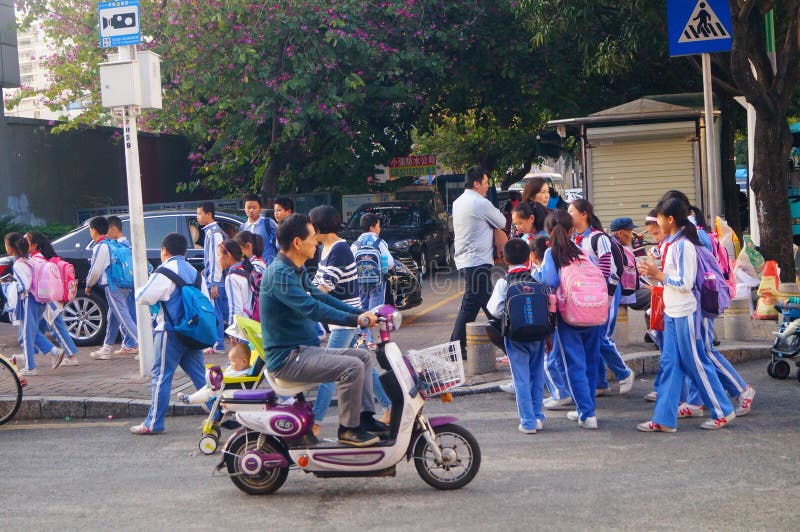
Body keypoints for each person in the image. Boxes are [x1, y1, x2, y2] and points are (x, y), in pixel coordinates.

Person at [260, 213, 387, 447]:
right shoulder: (279, 274)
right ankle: (348, 430)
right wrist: (356, 320)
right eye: (312, 238)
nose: (316, 242)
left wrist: (358, 315)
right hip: (289, 358)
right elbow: (312, 307)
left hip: (304, 351)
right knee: (352, 367)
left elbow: (321, 297)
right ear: (298, 242)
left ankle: (364, 419)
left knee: (362, 357)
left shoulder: (295, 270)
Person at [636, 198, 735, 432]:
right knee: (670, 364)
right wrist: (654, 271)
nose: (657, 223)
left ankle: (723, 410)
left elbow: (685, 282)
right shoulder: (673, 244)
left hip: (686, 312)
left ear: (670, 219)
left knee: (696, 363)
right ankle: (664, 419)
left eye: (659, 218)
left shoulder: (683, 245)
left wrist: (657, 274)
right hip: (673, 311)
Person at [309, 205, 392, 436]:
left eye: (311, 224)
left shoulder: (340, 249)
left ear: (319, 227)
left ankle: (315, 423)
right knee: (364, 364)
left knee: (327, 370)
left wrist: (298, 300)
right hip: (344, 319)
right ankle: (390, 407)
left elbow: (324, 287)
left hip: (346, 320)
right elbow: (316, 282)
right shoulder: (324, 248)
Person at [131, 232, 209, 435]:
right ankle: (218, 413)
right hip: (193, 334)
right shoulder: (195, 272)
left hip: (170, 332)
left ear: (164, 251)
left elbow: (144, 296)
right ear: (184, 251)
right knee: (201, 378)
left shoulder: (164, 271)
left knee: (161, 377)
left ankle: (153, 423)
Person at [533, 210, 602, 429]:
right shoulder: (581, 251)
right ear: (572, 230)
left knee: (574, 365)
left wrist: (537, 273)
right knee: (591, 363)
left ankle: (586, 413)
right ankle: (587, 409)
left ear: (548, 231)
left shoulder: (551, 253)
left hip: (569, 316)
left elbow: (550, 281)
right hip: (593, 312)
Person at [568, 200, 635, 395]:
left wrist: (604, 295)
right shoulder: (574, 238)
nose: (568, 214)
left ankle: (623, 373)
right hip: (587, 296)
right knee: (592, 338)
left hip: (606, 293)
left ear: (584, 214)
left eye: (571, 211)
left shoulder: (599, 238)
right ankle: (600, 383)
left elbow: (608, 268)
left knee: (600, 336)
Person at [487, 238, 547, 434]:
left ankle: (528, 422)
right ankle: (538, 417)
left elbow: (494, 310)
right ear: (528, 256)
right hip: (539, 334)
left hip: (515, 336)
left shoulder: (504, 282)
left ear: (505, 258)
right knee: (537, 376)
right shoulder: (537, 277)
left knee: (521, 379)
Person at [450, 167, 507, 358]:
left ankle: (457, 348)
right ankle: (508, 342)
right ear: (476, 183)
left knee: (477, 303)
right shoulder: (480, 203)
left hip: (467, 259)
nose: (487, 186)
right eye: (485, 182)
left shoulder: (458, 202)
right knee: (482, 303)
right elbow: (502, 222)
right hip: (478, 260)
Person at [3, 232, 64, 376]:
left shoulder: (19, 264)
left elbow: (24, 285)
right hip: (38, 300)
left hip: (28, 301)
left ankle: (30, 367)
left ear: (11, 247)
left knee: (27, 335)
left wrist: (9, 285)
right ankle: (54, 351)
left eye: (6, 245)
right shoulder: (29, 260)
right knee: (32, 332)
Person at [84, 216, 139, 360]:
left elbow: (96, 270)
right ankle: (107, 347)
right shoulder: (114, 244)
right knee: (113, 316)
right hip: (123, 284)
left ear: (94, 230)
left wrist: (89, 285)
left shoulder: (101, 246)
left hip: (112, 285)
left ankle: (146, 347)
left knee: (123, 317)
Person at [24, 231, 79, 367]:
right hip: (50, 298)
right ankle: (31, 353)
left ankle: (71, 356)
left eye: (26, 242)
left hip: (47, 300)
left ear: (34, 245)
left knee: (56, 327)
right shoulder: (45, 258)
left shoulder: (36, 260)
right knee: (38, 327)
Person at [351, 212, 394, 337]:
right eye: (378, 226)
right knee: (375, 309)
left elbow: (350, 262)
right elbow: (390, 263)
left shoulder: (356, 243)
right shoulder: (379, 242)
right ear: (372, 228)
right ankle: (371, 339)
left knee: (362, 308)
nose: (379, 229)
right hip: (378, 281)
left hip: (360, 281)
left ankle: (362, 336)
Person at [178, 342, 252, 404]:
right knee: (206, 387)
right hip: (221, 385)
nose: (230, 364)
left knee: (208, 393)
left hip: (226, 387)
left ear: (244, 361)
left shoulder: (244, 373)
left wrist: (219, 377)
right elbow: (226, 373)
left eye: (233, 361)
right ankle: (191, 397)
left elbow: (230, 377)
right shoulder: (235, 368)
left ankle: (191, 399)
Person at [197, 201, 227, 354]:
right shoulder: (209, 232)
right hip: (211, 279)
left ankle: (218, 344)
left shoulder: (214, 233)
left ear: (209, 214)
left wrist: (215, 282)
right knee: (215, 311)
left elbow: (217, 259)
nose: (198, 217)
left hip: (215, 281)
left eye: (200, 214)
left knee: (215, 312)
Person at [217, 238, 255, 326]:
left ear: (228, 255)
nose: (218, 260)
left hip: (245, 328)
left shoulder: (232, 277)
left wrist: (234, 331)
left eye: (219, 255)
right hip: (254, 322)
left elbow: (236, 308)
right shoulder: (246, 268)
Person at [238, 193, 278, 266]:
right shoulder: (243, 227)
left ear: (260, 208)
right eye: (249, 208)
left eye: (254, 208)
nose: (251, 210)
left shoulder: (268, 223)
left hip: (268, 265)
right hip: (251, 268)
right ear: (244, 209)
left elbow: (280, 242)